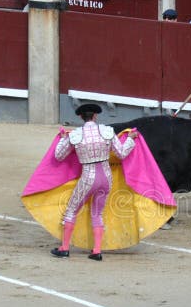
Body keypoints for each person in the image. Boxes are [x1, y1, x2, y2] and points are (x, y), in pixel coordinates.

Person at [50, 103, 138, 260]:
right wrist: (130, 139)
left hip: (88, 177)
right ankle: (97, 251)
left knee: (71, 210)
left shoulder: (75, 135)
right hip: (106, 177)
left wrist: (63, 139)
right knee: (97, 213)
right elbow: (122, 153)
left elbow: (58, 155)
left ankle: (64, 248)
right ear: (95, 116)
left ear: (80, 117)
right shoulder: (107, 131)